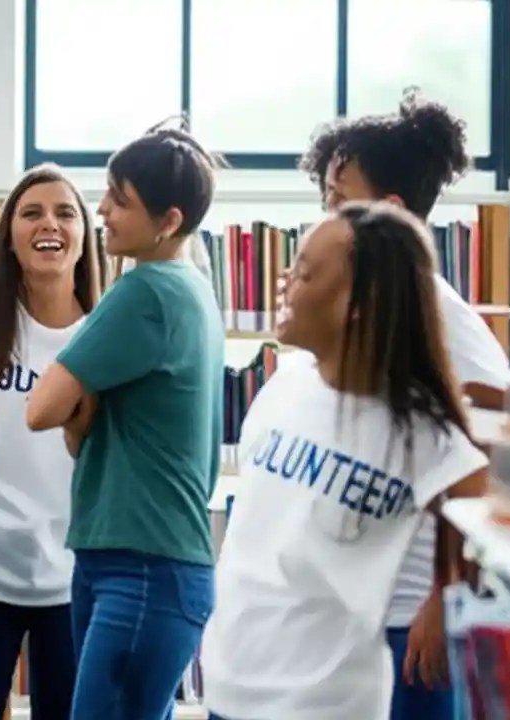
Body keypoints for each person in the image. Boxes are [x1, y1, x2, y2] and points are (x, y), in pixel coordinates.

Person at [199, 201, 491, 720]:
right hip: (233, 689)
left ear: (359, 301)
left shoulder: (419, 426)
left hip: (326, 701)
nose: (286, 280)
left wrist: (445, 590)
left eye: (306, 272)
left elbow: (484, 509)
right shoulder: (282, 385)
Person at [297, 91, 510, 720]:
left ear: (387, 212)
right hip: (352, 618)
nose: (324, 218)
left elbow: (490, 466)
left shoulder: (444, 323)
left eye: (338, 201)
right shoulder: (368, 317)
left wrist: (445, 596)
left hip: (411, 622)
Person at [26, 127, 225, 719]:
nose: (102, 211)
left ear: (168, 219)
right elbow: (73, 428)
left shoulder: (145, 289)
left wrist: (78, 398)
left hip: (141, 568)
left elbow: (42, 408)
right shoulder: (191, 287)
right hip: (136, 562)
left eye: (119, 199)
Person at [0, 164, 105, 719]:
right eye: (31, 213)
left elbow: (95, 454)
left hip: (74, 573)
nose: (47, 224)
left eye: (64, 213)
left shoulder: (105, 329)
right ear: (9, 234)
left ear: (84, 236)